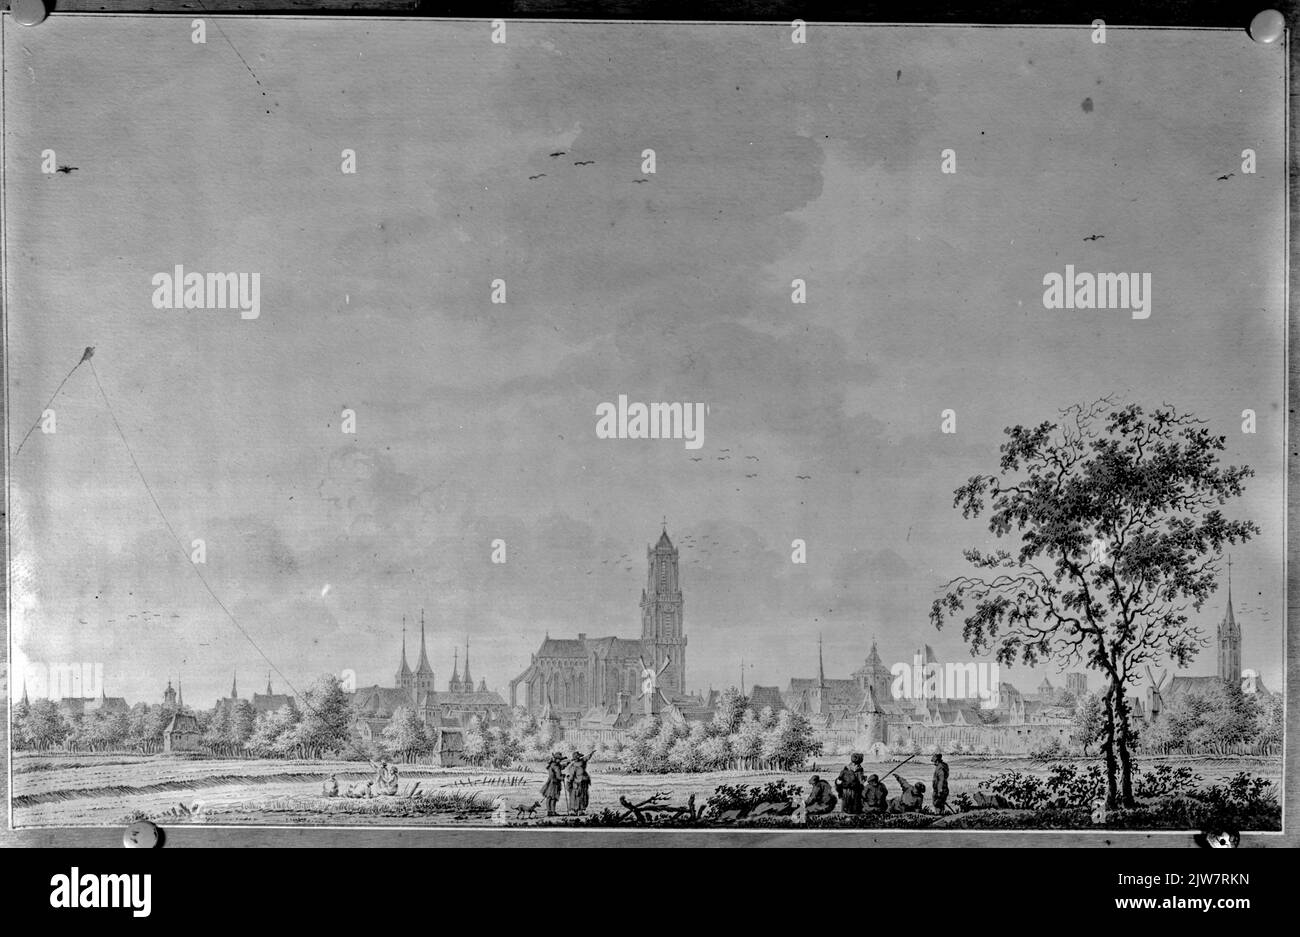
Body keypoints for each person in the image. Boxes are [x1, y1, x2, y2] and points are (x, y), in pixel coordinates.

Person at [564, 750, 593, 815]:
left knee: (575, 796)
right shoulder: (583, 762)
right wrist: (591, 753)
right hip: (584, 782)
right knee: (583, 796)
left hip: (577, 783)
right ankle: (581, 810)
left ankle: (574, 810)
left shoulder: (573, 766)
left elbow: (571, 777)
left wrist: (568, 779)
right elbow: (587, 758)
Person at [541, 751, 568, 816]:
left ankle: (549, 811)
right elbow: (558, 776)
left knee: (549, 798)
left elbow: (561, 767)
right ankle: (553, 812)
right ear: (556, 759)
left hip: (550, 783)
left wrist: (566, 764)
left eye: (560, 760)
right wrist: (563, 776)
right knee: (553, 798)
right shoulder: (556, 766)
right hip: (555, 784)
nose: (560, 761)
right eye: (559, 759)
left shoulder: (552, 764)